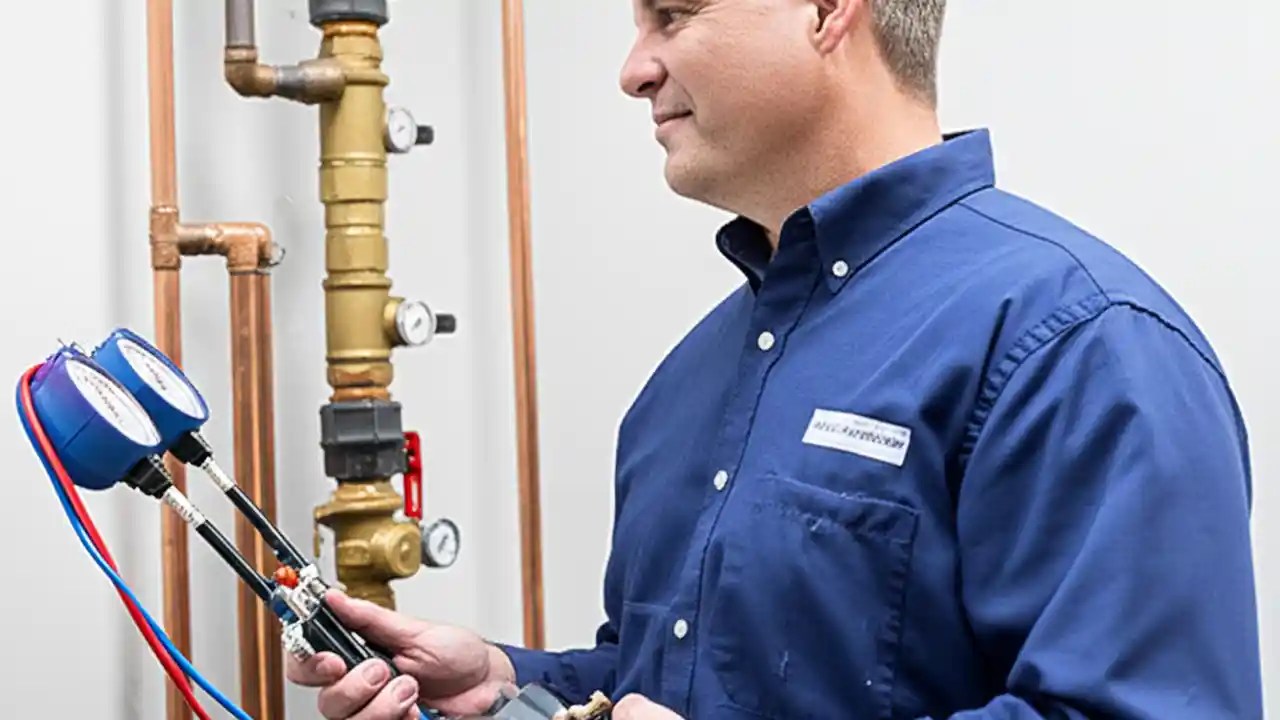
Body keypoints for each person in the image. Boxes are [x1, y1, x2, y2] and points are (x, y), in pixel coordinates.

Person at [288, 1, 1264, 718]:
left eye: (673, 15)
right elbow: (672, 682)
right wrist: (510, 686)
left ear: (828, 11)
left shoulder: (1079, 345)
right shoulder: (685, 384)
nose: (633, 70)